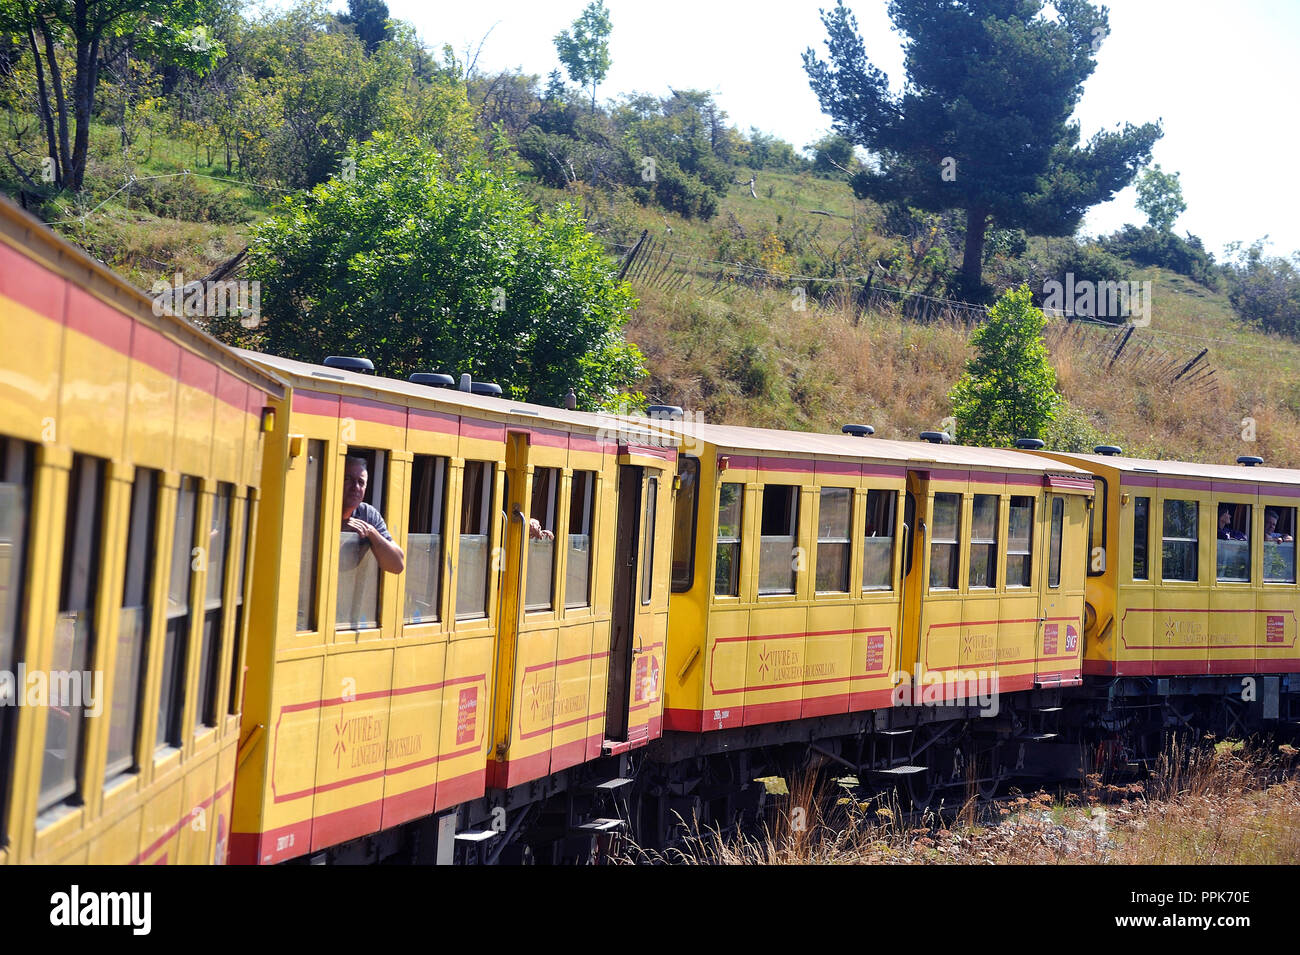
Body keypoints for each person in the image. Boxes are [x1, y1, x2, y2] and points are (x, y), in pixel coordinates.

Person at [342, 456, 405, 573]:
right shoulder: (320, 509)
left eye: (361, 482)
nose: (355, 487)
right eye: (348, 479)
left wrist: (371, 532)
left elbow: (397, 566)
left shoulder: (367, 514)